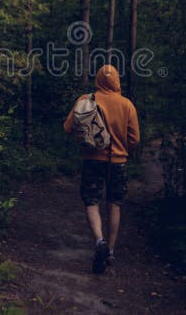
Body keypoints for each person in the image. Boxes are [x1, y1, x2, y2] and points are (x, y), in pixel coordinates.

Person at [63, 64, 140, 274]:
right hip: (118, 162)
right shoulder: (127, 105)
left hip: (92, 160)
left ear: (98, 79)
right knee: (114, 204)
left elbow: (67, 128)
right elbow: (135, 139)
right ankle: (111, 251)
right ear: (116, 81)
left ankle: (99, 241)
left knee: (91, 201)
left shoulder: (85, 100)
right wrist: (124, 148)